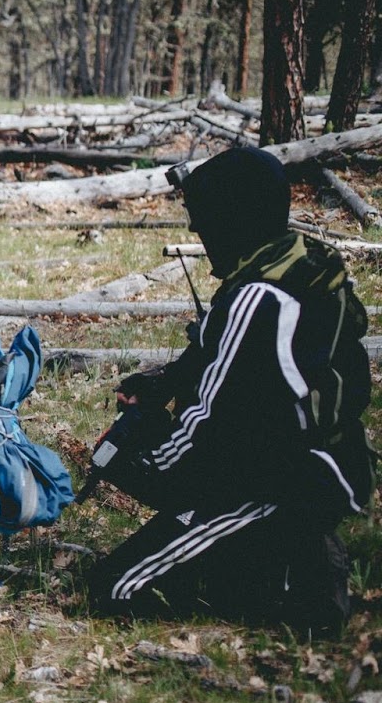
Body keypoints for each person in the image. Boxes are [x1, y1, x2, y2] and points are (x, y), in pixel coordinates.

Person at [86, 148, 372, 635]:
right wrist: (163, 386)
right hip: (324, 465)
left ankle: (300, 576)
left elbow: (206, 425)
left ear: (232, 219)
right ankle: (270, 557)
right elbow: (230, 365)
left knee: (116, 588)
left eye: (203, 221)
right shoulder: (295, 265)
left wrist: (132, 457)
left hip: (275, 484)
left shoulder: (253, 298)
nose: (197, 233)